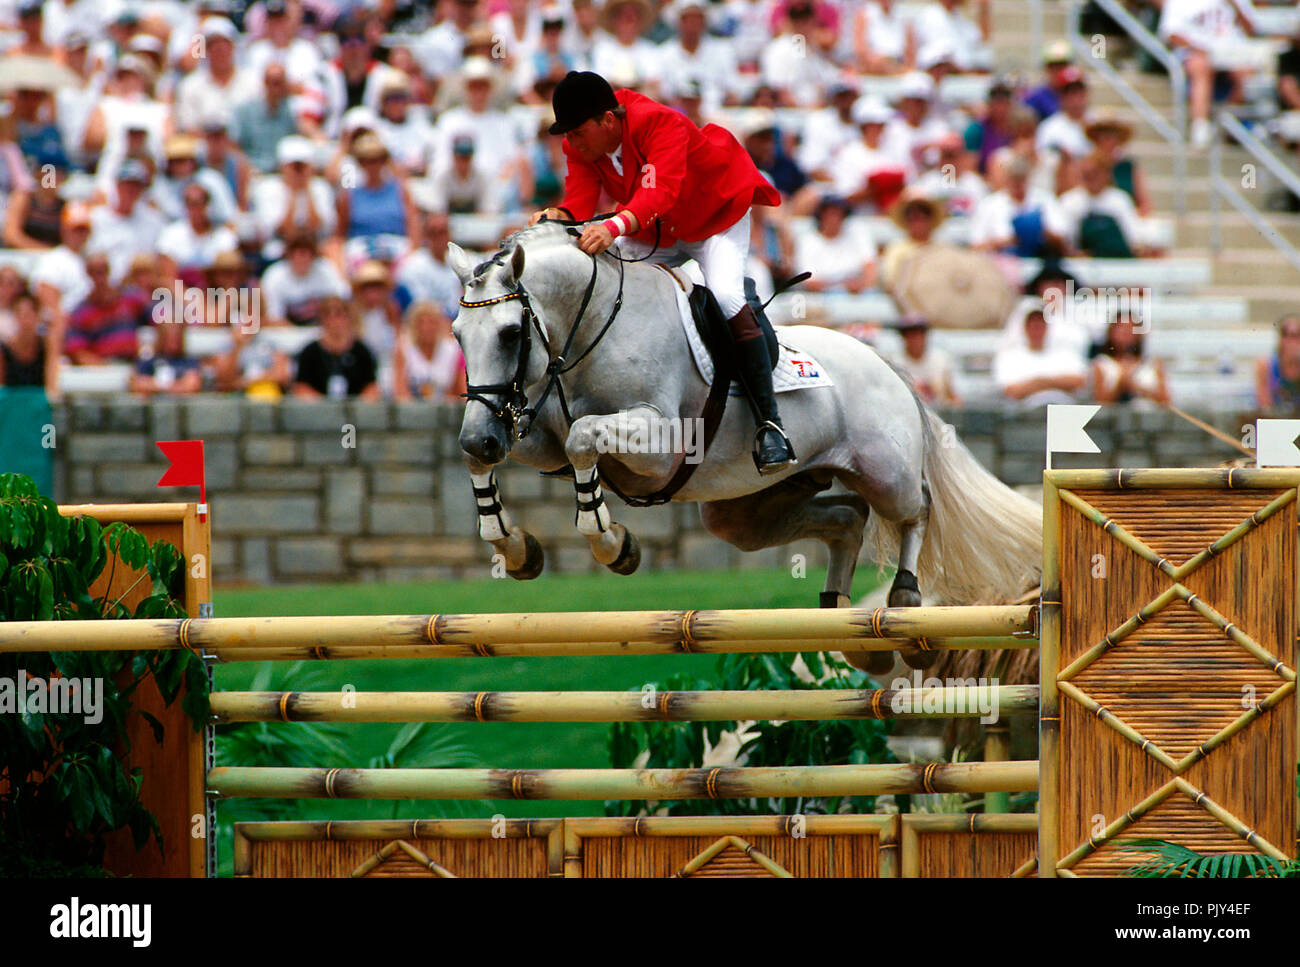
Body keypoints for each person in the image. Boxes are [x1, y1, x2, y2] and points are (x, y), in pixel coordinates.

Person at [531, 70, 793, 472]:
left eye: (579, 130)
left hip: (715, 217)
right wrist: (559, 215)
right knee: (608, 279)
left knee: (725, 294)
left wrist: (613, 226)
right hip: (658, 228)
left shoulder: (660, 122)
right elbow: (581, 199)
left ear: (608, 119)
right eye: (568, 133)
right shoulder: (580, 143)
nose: (573, 140)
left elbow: (661, 193)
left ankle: (770, 424)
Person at [1158, 0, 1256, 150]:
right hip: (1195, 52)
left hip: (1233, 53)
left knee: (1248, 74)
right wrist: (1203, 50)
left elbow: (1252, 31)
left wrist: (1235, 6)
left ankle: (1224, 122)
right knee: (1201, 66)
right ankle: (1200, 127)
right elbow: (1171, 34)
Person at [994, 304, 1087, 406]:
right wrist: (1056, 383)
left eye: (1040, 325)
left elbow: (1079, 381)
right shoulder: (1009, 357)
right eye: (1033, 325)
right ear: (1025, 328)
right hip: (1024, 415)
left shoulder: (1066, 353)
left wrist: (1037, 383)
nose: (1037, 329)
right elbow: (1011, 390)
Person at [293, 295, 380, 399]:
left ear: (349, 317)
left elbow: (371, 387)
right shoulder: (310, 352)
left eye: (339, 314)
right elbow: (301, 387)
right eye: (328, 315)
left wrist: (357, 406)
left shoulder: (361, 351)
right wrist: (324, 406)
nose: (334, 321)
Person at [795, 195, 877, 293]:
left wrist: (861, 285)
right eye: (830, 213)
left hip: (858, 295)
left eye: (838, 213)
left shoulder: (858, 232)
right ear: (821, 215)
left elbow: (870, 268)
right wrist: (842, 286)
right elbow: (809, 283)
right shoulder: (807, 241)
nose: (834, 218)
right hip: (820, 297)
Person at [392, 301, 466, 402]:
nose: (426, 328)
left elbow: (459, 390)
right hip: (412, 410)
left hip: (445, 409)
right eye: (421, 323)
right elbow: (400, 391)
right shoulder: (404, 348)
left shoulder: (453, 349)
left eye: (432, 322)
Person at [1092, 311, 1169, 406]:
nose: (1125, 333)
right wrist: (1121, 385)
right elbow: (1100, 402)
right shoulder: (1102, 363)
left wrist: (1140, 389)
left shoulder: (1153, 363)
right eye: (1120, 328)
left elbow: (1166, 401)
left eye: (1130, 328)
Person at [893, 316, 960, 405]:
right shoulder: (896, 363)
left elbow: (953, 397)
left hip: (938, 413)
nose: (915, 339)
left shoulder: (941, 360)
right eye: (910, 335)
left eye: (918, 334)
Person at [0, 289, 56, 395]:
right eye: (21, 314)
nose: (25, 320)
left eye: (29, 314)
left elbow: (52, 385)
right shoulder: (4, 348)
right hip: (11, 404)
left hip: (39, 405)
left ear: (38, 316)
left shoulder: (46, 346)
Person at [130, 321, 203, 397]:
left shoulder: (189, 362)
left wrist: (154, 386)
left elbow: (191, 386)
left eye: (177, 336)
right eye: (169, 336)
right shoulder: (148, 360)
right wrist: (177, 386)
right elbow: (138, 384)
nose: (174, 341)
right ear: (161, 337)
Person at [1256, 315, 1300, 413]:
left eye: (1296, 336)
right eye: (1286, 336)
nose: (1292, 342)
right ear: (1280, 339)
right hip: (1275, 419)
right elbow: (1265, 407)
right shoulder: (1265, 366)